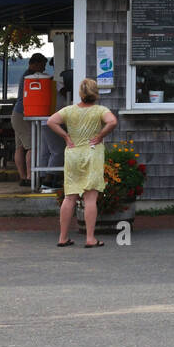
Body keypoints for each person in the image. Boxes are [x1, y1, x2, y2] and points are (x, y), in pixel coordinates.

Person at [47, 77, 117, 247]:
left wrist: (65, 136)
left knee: (69, 197)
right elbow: (112, 121)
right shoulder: (100, 110)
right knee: (90, 197)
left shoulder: (69, 110)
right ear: (96, 93)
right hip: (92, 154)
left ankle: (63, 237)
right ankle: (90, 238)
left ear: (80, 93)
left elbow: (51, 121)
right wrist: (100, 136)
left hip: (73, 153)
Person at [11, 53, 48, 187]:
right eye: (43, 66)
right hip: (23, 114)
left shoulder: (25, 75)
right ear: (36, 64)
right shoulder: (32, 77)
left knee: (20, 147)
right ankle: (29, 177)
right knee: (33, 146)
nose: (44, 69)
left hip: (17, 114)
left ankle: (23, 177)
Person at [39, 69, 73, 189]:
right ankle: (49, 179)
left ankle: (41, 177)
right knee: (58, 150)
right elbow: (66, 93)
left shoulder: (46, 85)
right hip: (54, 120)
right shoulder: (56, 83)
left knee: (46, 151)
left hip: (44, 119)